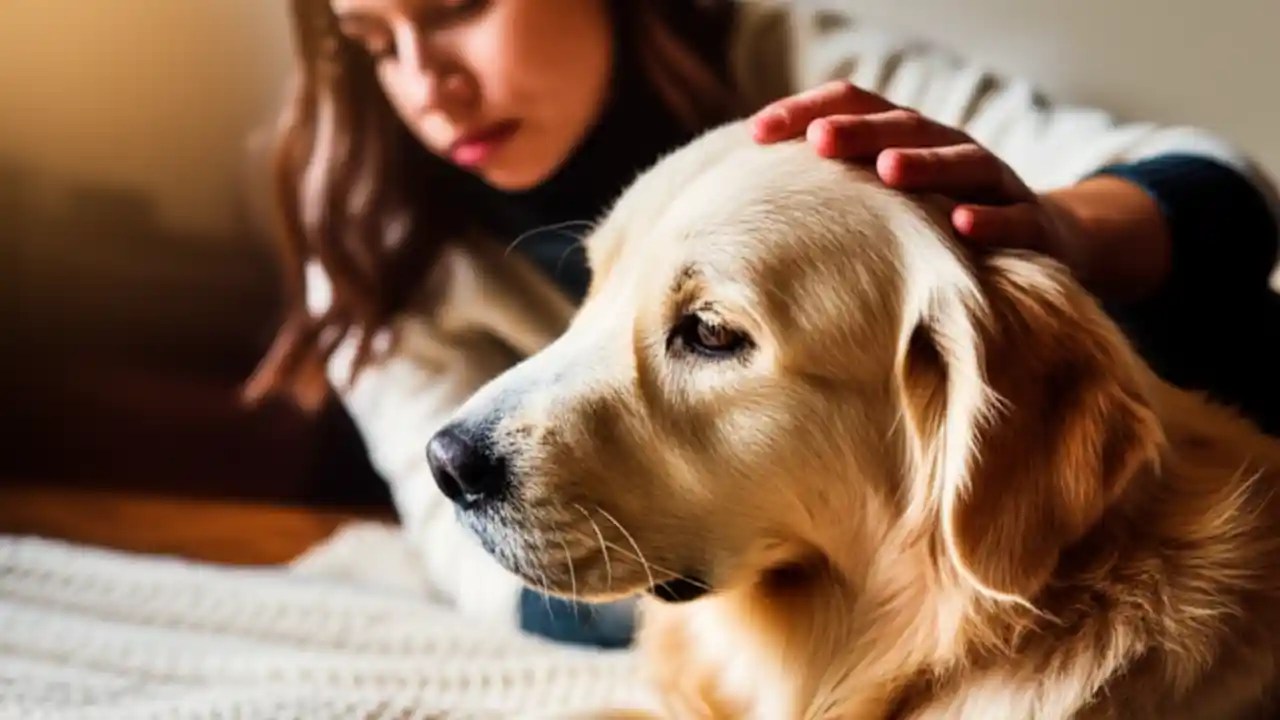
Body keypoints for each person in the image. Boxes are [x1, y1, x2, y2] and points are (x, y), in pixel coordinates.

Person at [244, 0, 1280, 649]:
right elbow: (467, 550)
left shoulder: (801, 73)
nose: (427, 86)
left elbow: (1218, 186)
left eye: (460, 7)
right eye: (376, 43)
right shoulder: (365, 235)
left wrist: (1057, 225)